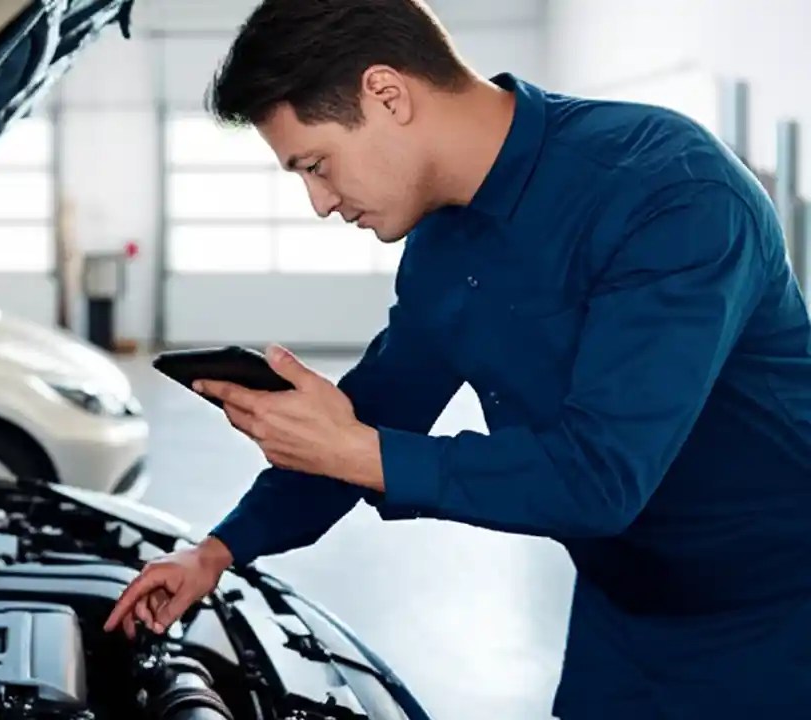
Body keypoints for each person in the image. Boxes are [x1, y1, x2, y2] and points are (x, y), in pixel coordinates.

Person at [102, 0, 811, 717]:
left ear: (386, 93)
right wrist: (216, 552)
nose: (318, 202)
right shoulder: (441, 245)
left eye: (316, 165)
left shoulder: (668, 188)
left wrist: (360, 452)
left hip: (781, 614)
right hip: (626, 612)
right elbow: (372, 414)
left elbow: (599, 476)